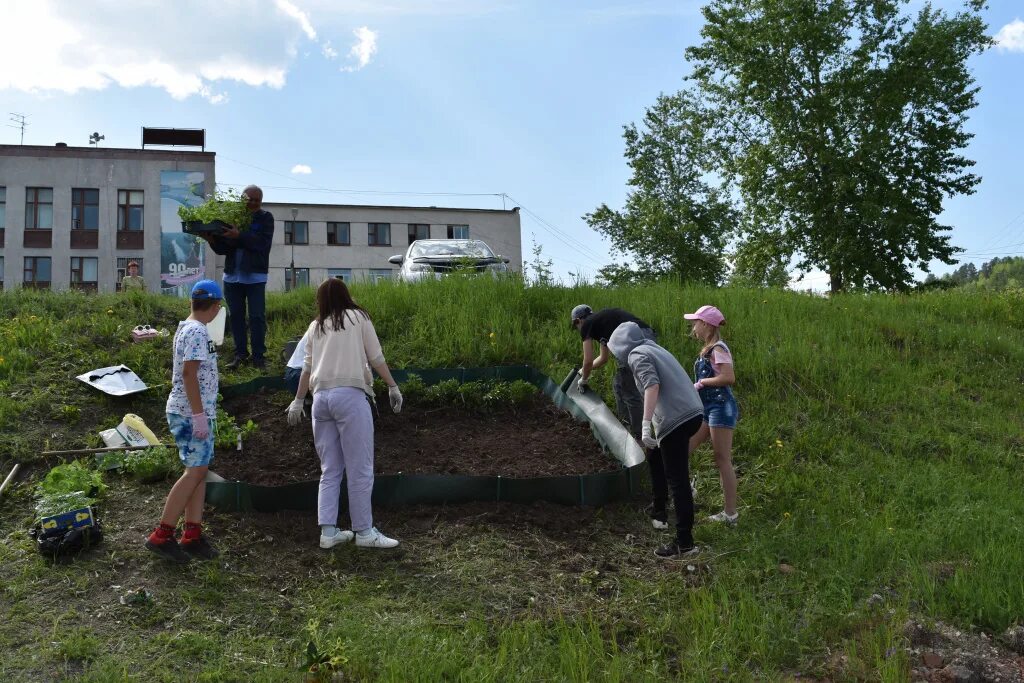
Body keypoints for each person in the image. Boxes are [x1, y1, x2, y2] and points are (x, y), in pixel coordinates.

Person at [287, 278, 404, 550]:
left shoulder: (316, 326)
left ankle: (328, 532)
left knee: (330, 469)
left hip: (320, 401)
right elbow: (376, 357)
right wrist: (392, 385)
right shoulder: (358, 317)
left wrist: (297, 400)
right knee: (360, 468)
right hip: (350, 396)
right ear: (345, 295)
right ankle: (364, 532)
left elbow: (306, 368)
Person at [570, 304, 678, 529]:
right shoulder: (603, 324)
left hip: (635, 342)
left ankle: (639, 433)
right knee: (625, 385)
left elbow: (588, 359)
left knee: (625, 386)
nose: (578, 327)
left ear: (579, 320)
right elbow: (602, 359)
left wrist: (583, 379)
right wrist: (583, 372)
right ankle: (637, 426)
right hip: (646, 336)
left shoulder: (587, 326)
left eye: (576, 324)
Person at [608, 321, 705, 558]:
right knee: (656, 457)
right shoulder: (653, 347)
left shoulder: (637, 354)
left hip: (676, 419)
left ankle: (684, 543)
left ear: (621, 346)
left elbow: (652, 385)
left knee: (678, 481)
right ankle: (659, 511)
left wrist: (644, 424)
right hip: (692, 412)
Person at [144, 280, 223, 563]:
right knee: (194, 473)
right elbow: (190, 374)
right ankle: (162, 535)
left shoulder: (187, 328)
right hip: (191, 413)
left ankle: (192, 534)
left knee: (197, 472)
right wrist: (199, 416)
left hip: (191, 411)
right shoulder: (197, 332)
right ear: (215, 307)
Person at [203, 185, 274, 370]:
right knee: (236, 316)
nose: (252, 202)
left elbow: (262, 244)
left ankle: (259, 357)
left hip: (256, 277)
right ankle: (240, 355)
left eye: (256, 199)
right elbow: (225, 249)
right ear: (242, 199)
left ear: (261, 200)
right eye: (249, 199)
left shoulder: (266, 218)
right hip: (232, 277)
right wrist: (212, 240)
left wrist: (240, 235)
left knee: (257, 316)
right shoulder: (234, 218)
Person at [684, 305, 740, 524]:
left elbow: (728, 378)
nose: (693, 327)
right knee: (684, 448)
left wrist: (702, 382)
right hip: (708, 409)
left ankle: (730, 514)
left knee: (722, 459)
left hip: (721, 407)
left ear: (706, 324)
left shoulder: (718, 349)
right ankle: (687, 490)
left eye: (695, 323)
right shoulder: (708, 349)